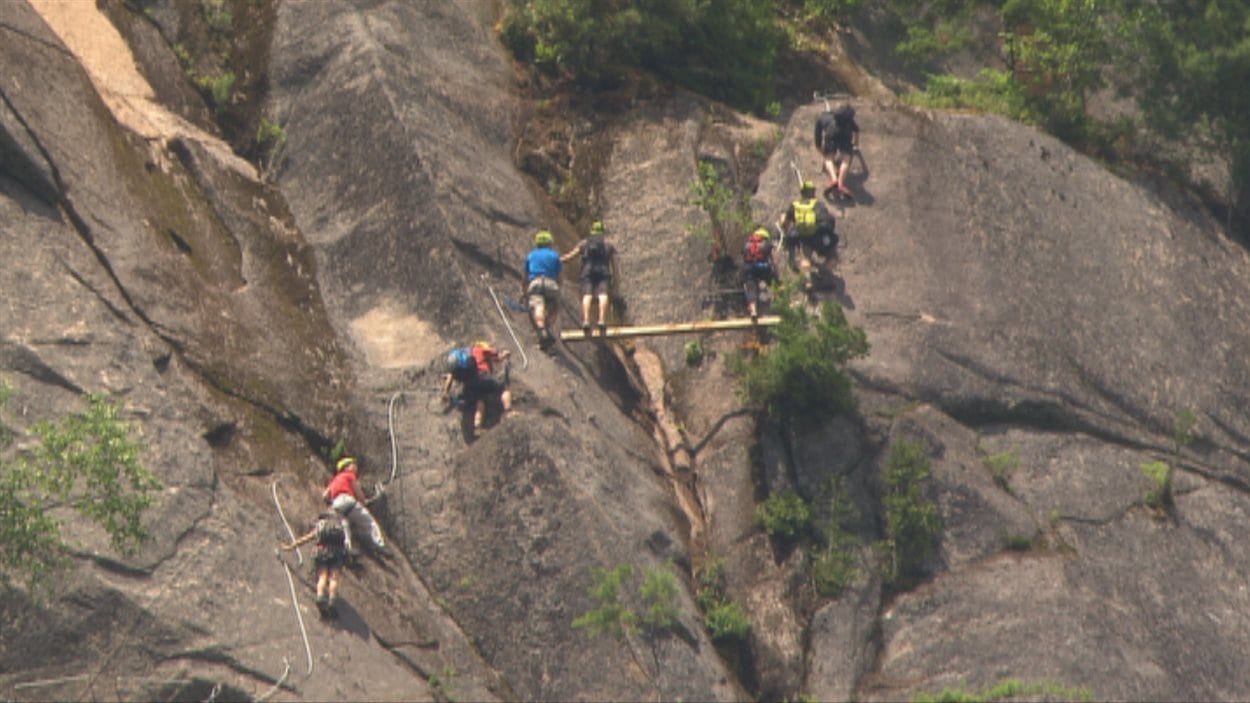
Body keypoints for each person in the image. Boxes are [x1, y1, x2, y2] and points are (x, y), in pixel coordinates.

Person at [281, 510, 349, 617]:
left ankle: (320, 597)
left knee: (322, 576)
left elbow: (304, 540)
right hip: (337, 554)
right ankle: (332, 601)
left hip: (322, 552)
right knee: (333, 578)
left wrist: (289, 547)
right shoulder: (339, 527)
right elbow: (346, 545)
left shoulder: (321, 527)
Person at [777, 180, 838, 291]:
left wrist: (785, 230)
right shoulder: (818, 205)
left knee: (806, 258)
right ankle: (825, 273)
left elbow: (785, 221)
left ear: (802, 192)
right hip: (819, 237)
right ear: (813, 192)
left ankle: (809, 283)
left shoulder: (795, 205)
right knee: (832, 256)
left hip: (804, 238)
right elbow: (828, 222)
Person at [440, 340, 514, 432]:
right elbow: (498, 357)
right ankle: (509, 412)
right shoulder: (481, 350)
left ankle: (477, 426)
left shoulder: (467, 353)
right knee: (503, 390)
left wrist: (446, 392)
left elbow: (451, 375)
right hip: (482, 377)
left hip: (470, 384)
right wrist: (506, 354)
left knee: (480, 400)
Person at [560, 220, 617, 337]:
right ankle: (601, 319)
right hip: (603, 272)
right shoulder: (608, 245)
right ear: (602, 232)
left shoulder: (584, 243)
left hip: (587, 271)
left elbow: (570, 256)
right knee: (603, 295)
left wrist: (557, 260)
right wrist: (615, 279)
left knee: (587, 296)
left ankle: (586, 320)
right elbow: (614, 265)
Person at [323, 456, 386, 557]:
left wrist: (332, 502)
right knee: (368, 521)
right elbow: (357, 491)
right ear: (346, 468)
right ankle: (379, 544)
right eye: (353, 465)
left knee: (345, 524)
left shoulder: (334, 480)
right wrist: (363, 501)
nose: (355, 467)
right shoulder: (349, 475)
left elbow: (325, 495)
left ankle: (348, 548)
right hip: (347, 500)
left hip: (336, 504)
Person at [525, 230, 563, 349]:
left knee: (538, 306)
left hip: (535, 282)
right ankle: (547, 327)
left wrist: (524, 290)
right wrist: (559, 288)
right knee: (554, 307)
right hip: (551, 283)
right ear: (549, 243)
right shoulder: (555, 256)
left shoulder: (531, 255)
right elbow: (560, 277)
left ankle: (542, 331)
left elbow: (525, 275)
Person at [814, 103, 859, 200]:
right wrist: (855, 143)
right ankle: (841, 184)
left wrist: (824, 154)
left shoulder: (822, 117)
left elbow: (818, 141)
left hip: (831, 133)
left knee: (829, 159)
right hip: (845, 134)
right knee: (846, 159)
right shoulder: (849, 121)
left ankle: (834, 179)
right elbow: (857, 131)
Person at [741, 227, 777, 322]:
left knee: (751, 288)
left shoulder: (747, 244)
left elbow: (744, 257)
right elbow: (772, 259)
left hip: (749, 269)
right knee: (773, 282)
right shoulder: (766, 243)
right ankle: (780, 298)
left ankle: (753, 311)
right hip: (763, 267)